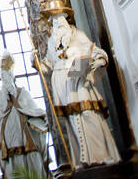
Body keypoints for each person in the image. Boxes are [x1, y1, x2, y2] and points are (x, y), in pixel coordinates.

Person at [43, 14, 120, 168]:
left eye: (59, 18)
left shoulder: (77, 34)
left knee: (88, 113)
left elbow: (94, 51)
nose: (57, 22)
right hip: (62, 83)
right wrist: (37, 62)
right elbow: (48, 65)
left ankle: (102, 155)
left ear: (65, 18)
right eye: (53, 20)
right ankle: (83, 160)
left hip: (79, 78)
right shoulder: (52, 41)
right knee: (72, 119)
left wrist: (100, 59)